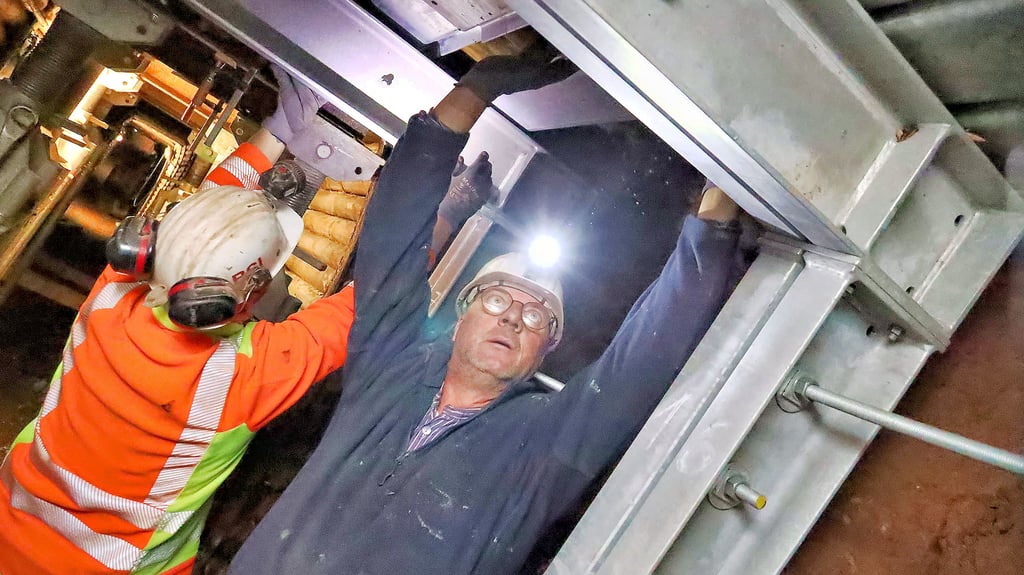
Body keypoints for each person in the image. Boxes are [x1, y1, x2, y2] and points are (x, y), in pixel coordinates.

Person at [228, 52, 744, 575]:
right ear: (462, 315)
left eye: (538, 316)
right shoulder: (388, 370)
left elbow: (649, 354)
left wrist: (721, 205)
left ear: (547, 347)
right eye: (497, 300)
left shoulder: (547, 445)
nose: (514, 317)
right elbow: (392, 238)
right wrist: (477, 89)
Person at [0, 71, 356, 575]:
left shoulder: (114, 290)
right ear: (246, 295)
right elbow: (372, 298)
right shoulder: (244, 377)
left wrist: (277, 130)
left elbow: (200, 217)